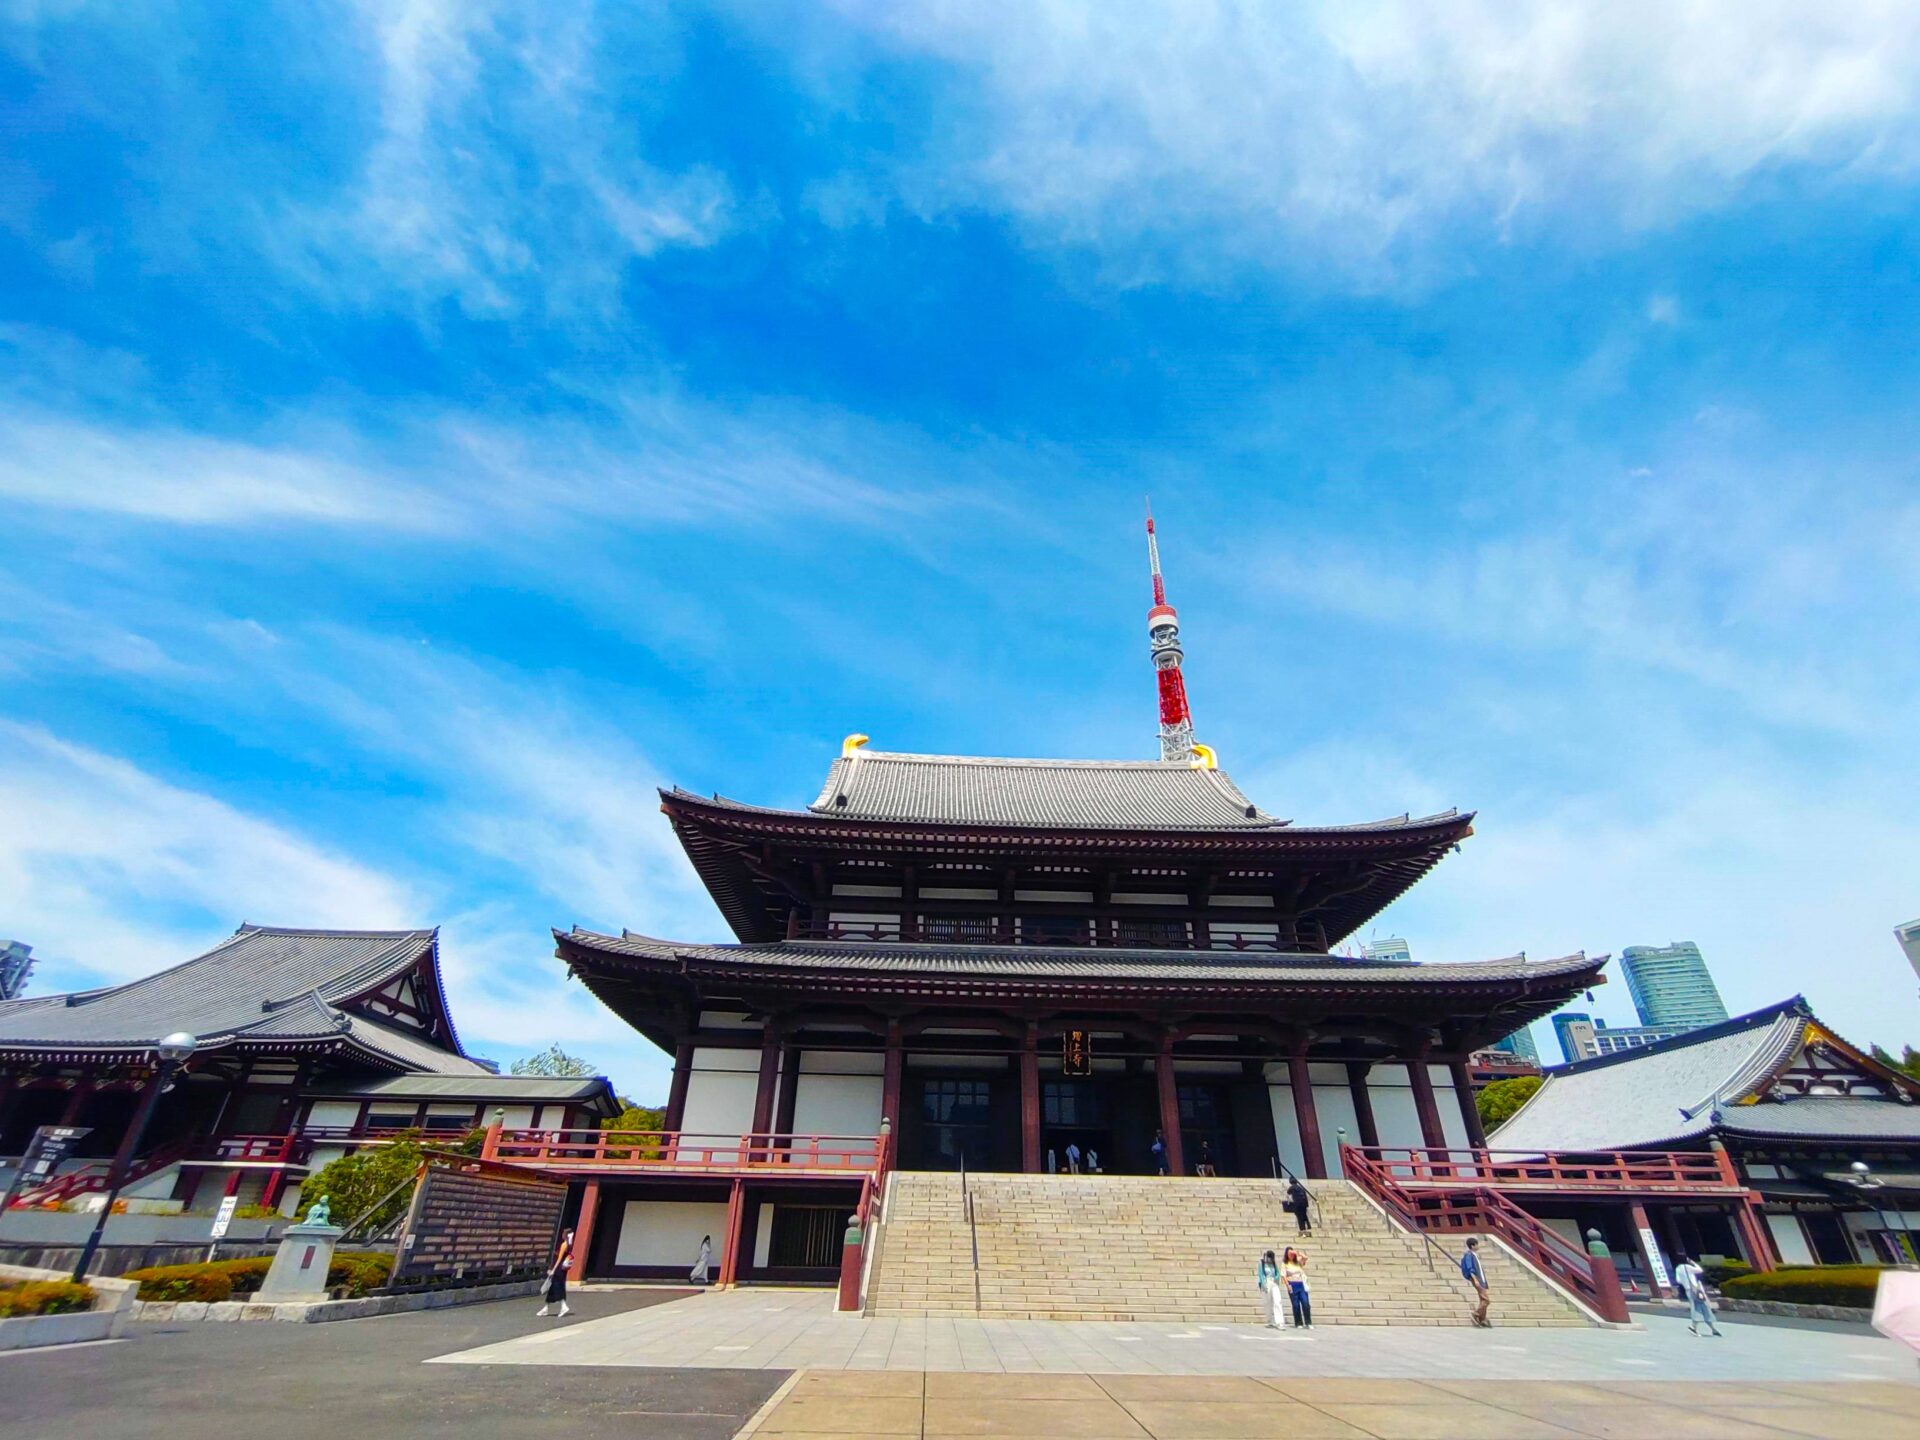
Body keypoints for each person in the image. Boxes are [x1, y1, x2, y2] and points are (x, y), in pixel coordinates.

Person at [1673, 1254, 1723, 1337]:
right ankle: (1693, 1327)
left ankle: (1712, 1329)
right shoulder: (1687, 1267)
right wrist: (1693, 1262)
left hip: (1688, 1290)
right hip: (1695, 1290)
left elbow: (1678, 1280)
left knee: (1699, 1307)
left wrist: (1685, 1282)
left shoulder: (1678, 1268)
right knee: (1702, 1307)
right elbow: (1700, 1270)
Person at [536, 1227, 574, 1318]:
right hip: (563, 1269)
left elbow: (559, 1258)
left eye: (563, 1233)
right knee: (555, 1287)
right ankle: (546, 1307)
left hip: (559, 1269)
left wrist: (553, 1269)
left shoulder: (564, 1245)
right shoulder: (569, 1245)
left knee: (557, 1286)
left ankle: (562, 1306)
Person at [1460, 1236, 1490, 1328]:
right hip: (1477, 1279)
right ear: (1472, 1246)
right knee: (1486, 1300)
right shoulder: (1469, 1255)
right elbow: (1470, 1268)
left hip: (1481, 1279)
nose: (1478, 1246)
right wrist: (1475, 1279)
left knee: (1482, 1299)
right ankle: (1476, 1313)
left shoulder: (1474, 1255)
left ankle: (1482, 1319)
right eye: (1477, 1244)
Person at [1282, 1246, 1312, 1327]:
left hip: (1301, 1283)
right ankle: (1298, 1322)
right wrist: (1287, 1285)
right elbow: (1283, 1276)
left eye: (1292, 1253)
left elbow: (1305, 1258)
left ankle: (1308, 1322)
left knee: (1305, 1302)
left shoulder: (1297, 1262)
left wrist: (1297, 1253)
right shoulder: (1285, 1263)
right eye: (1289, 1254)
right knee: (1296, 1304)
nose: (1291, 1255)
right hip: (1292, 1284)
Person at [1255, 1248, 1284, 1329]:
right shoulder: (1262, 1263)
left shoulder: (1274, 1263)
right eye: (1269, 1257)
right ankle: (1269, 1320)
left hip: (1274, 1282)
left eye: (1271, 1258)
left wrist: (1276, 1277)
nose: (1270, 1260)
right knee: (1267, 1303)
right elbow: (1261, 1274)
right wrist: (1264, 1284)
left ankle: (1280, 1322)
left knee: (1277, 1301)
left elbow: (1277, 1272)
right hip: (1266, 1282)